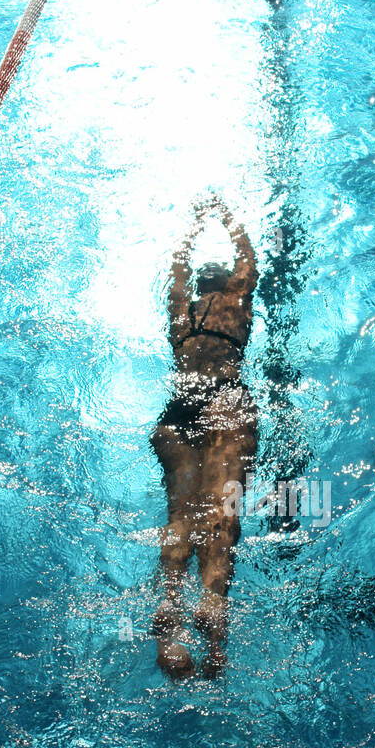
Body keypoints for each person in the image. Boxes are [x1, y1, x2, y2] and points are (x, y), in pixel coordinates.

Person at [150, 196, 258, 678]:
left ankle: (168, 610)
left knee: (182, 512)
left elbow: (176, 266)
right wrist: (226, 216)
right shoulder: (236, 301)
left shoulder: (181, 313)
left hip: (177, 411)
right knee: (222, 516)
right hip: (225, 402)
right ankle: (213, 618)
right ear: (223, 283)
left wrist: (193, 223)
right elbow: (248, 259)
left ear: (197, 286)